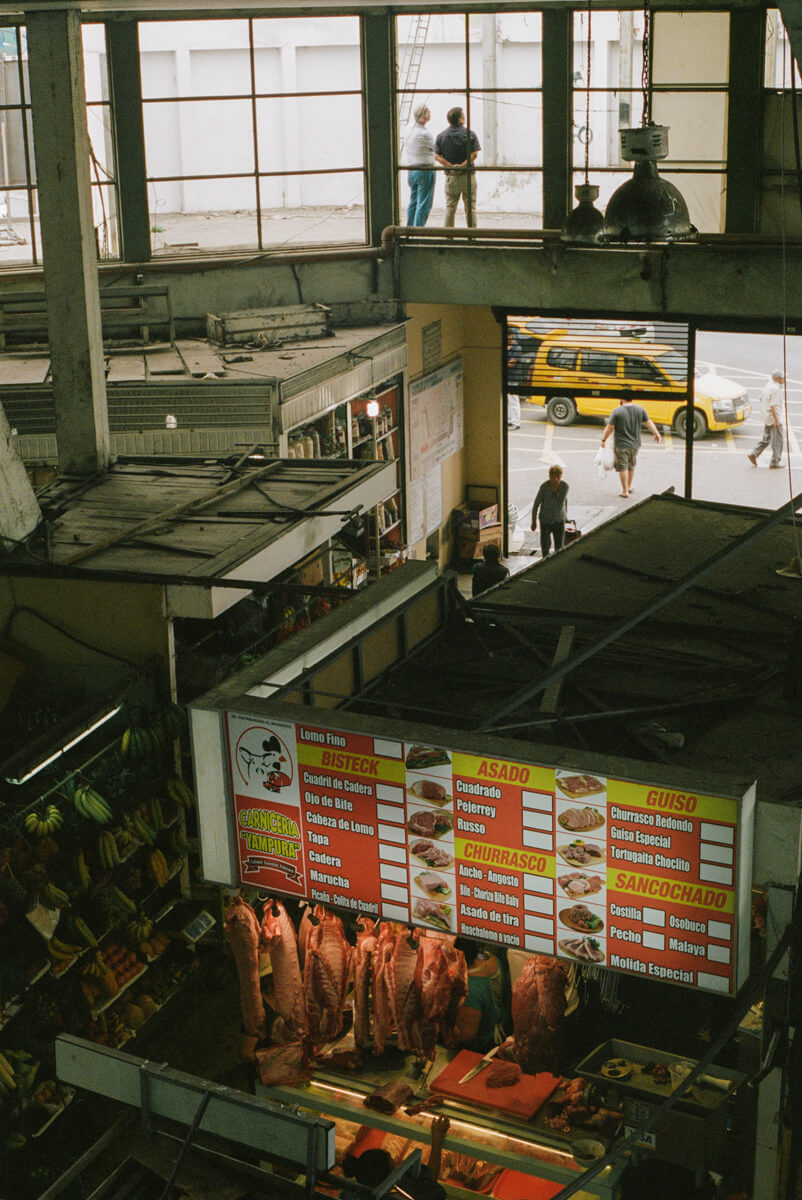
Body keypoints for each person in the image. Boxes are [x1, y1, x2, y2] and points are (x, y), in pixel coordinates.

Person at [340, 1115, 450, 1200]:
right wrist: (437, 1143)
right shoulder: (404, 1192)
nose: (398, 1168)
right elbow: (430, 1182)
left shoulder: (348, 1194)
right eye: (394, 1168)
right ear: (389, 1178)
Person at [600, 393, 662, 498]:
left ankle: (625, 491)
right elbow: (649, 423)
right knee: (631, 465)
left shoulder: (617, 411)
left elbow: (610, 428)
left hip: (621, 445)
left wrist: (604, 439)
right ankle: (629, 486)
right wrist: (656, 433)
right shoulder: (640, 409)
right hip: (635, 445)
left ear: (622, 399)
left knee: (622, 467)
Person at [453, 938, 503, 1053]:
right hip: (499, 1027)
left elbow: (465, 1035)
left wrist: (441, 1021)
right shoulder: (488, 958)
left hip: (482, 1046)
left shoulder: (471, 992)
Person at [434, 107, 480, 228]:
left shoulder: (441, 136)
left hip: (451, 177)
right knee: (470, 208)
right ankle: (472, 235)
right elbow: (474, 155)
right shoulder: (470, 134)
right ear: (460, 119)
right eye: (463, 116)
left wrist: (451, 167)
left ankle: (449, 235)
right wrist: (463, 166)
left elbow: (437, 156)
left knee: (450, 208)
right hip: (468, 176)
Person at [404, 104, 436, 228]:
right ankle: (418, 230)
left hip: (411, 169)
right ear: (425, 116)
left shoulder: (408, 129)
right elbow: (436, 148)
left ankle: (409, 229)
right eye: (429, 112)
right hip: (425, 170)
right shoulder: (424, 134)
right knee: (424, 203)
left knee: (413, 201)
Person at [748, 369, 786, 469]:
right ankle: (775, 462)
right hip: (773, 418)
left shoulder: (768, 385)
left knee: (766, 438)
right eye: (782, 378)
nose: (784, 380)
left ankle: (754, 453)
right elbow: (773, 405)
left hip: (767, 417)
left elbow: (761, 398)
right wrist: (777, 420)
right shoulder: (776, 389)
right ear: (777, 378)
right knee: (777, 441)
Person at [530, 465, 569, 557]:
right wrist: (534, 521)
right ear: (549, 476)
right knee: (545, 546)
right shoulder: (544, 488)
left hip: (559, 520)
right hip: (545, 520)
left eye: (558, 477)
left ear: (561, 476)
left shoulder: (565, 487)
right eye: (553, 477)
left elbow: (564, 501)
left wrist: (565, 516)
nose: (555, 479)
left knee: (559, 548)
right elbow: (536, 504)